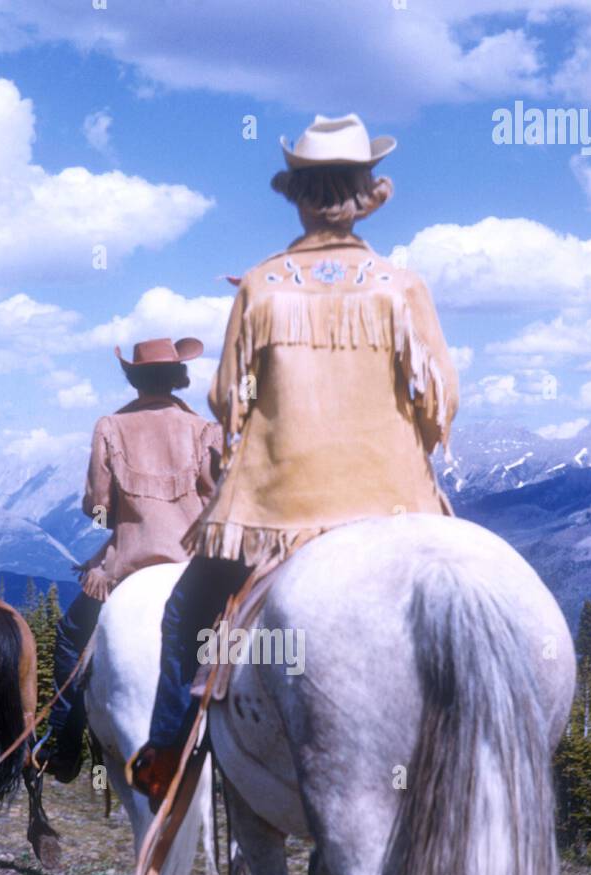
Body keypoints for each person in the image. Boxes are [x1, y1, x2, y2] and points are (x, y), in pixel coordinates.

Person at [131, 112, 459, 804]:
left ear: (297, 195)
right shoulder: (401, 286)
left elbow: (226, 401)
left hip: (275, 513)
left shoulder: (261, 285)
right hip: (396, 507)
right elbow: (442, 404)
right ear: (367, 191)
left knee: (186, 614)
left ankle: (166, 753)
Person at [36, 337, 221, 781]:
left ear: (133, 379)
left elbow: (96, 507)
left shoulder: (109, 427)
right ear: (179, 378)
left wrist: (117, 511)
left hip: (130, 565)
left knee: (71, 637)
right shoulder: (204, 429)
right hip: (195, 567)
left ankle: (65, 746)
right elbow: (216, 498)